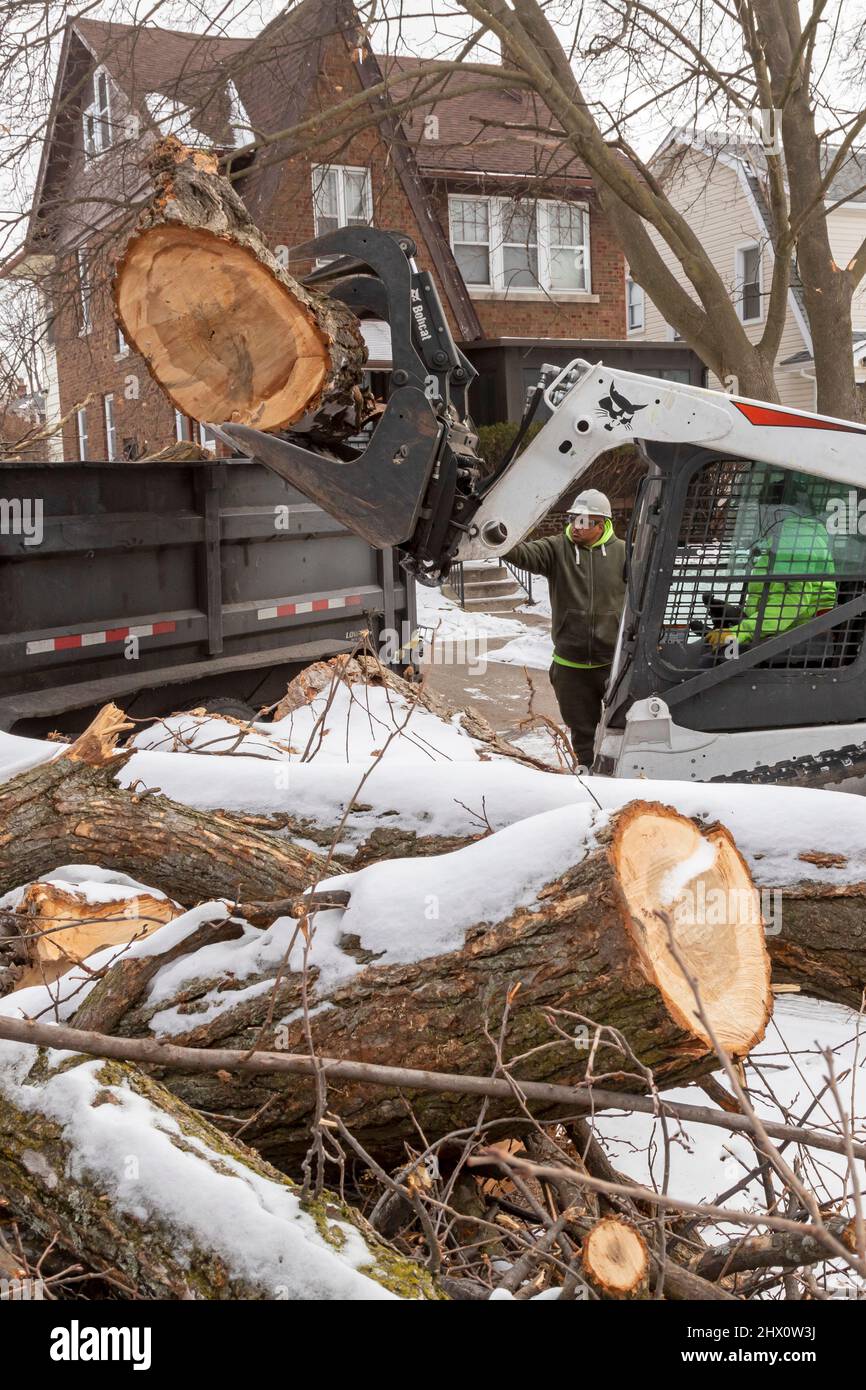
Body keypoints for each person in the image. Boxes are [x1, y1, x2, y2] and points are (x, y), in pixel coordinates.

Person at [504, 488, 626, 765]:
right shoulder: (556, 549)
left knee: (619, 729)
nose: (576, 526)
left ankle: (619, 778)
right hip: (571, 666)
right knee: (582, 731)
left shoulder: (623, 553)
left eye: (583, 521)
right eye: (572, 519)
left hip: (613, 663)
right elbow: (520, 554)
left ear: (602, 524)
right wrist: (498, 537)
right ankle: (585, 770)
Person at [704, 478, 836, 658]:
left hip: (798, 636)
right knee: (712, 654)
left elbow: (790, 603)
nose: (761, 515)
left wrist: (740, 632)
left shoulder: (796, 539)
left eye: (763, 508)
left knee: (711, 663)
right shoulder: (785, 537)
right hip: (786, 631)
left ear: (777, 509)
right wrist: (738, 617)